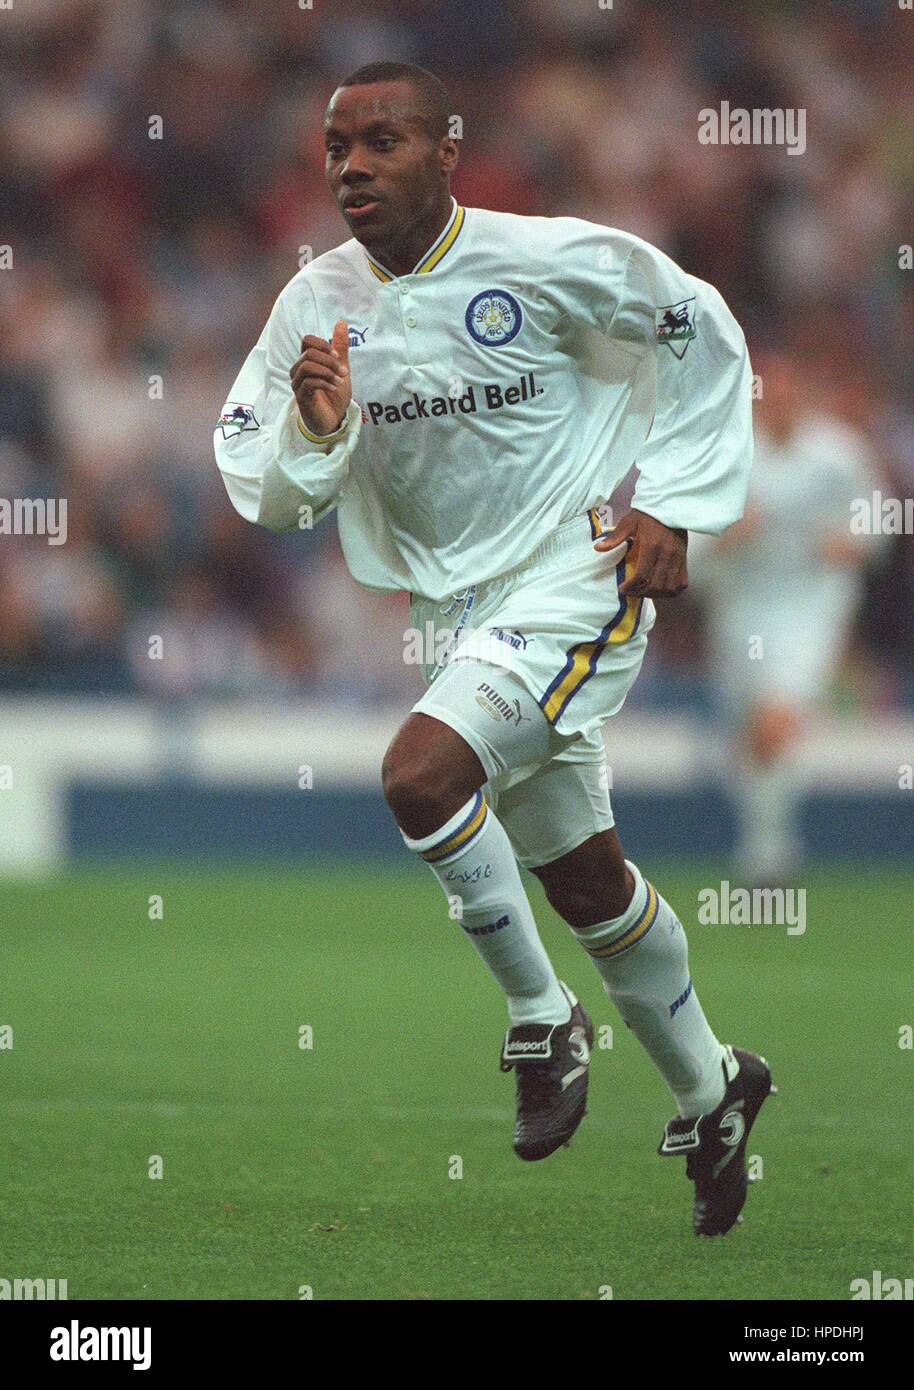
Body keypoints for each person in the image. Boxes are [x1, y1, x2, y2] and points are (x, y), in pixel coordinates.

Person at [214, 61, 771, 1235]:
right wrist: (321, 435)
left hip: (578, 573)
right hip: (455, 619)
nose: (353, 167)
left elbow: (701, 324)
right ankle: (714, 1087)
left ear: (446, 148)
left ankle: (538, 1016)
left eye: (384, 141)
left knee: (419, 774)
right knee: (584, 882)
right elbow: (262, 488)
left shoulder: (547, 257)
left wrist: (672, 498)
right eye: (335, 147)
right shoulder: (311, 304)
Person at [692, 350, 878, 883]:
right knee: (750, 727)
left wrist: (851, 544)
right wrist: (726, 540)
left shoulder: (839, 455)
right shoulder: (727, 454)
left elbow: (877, 523)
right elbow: (690, 550)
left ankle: (766, 850)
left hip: (812, 606)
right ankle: (766, 836)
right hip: (741, 606)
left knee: (779, 717)